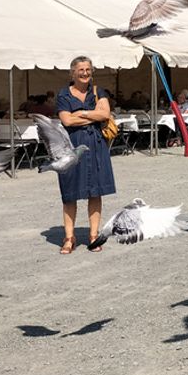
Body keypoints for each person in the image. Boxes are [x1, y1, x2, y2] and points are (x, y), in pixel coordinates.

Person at [54, 56, 117, 254]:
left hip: (97, 146)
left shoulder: (99, 91)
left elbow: (105, 115)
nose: (85, 73)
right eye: (81, 69)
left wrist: (81, 113)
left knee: (95, 192)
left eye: (88, 69)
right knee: (69, 193)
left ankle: (93, 235)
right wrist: (92, 114)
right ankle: (69, 237)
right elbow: (66, 121)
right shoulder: (64, 94)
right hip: (71, 147)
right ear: (73, 72)